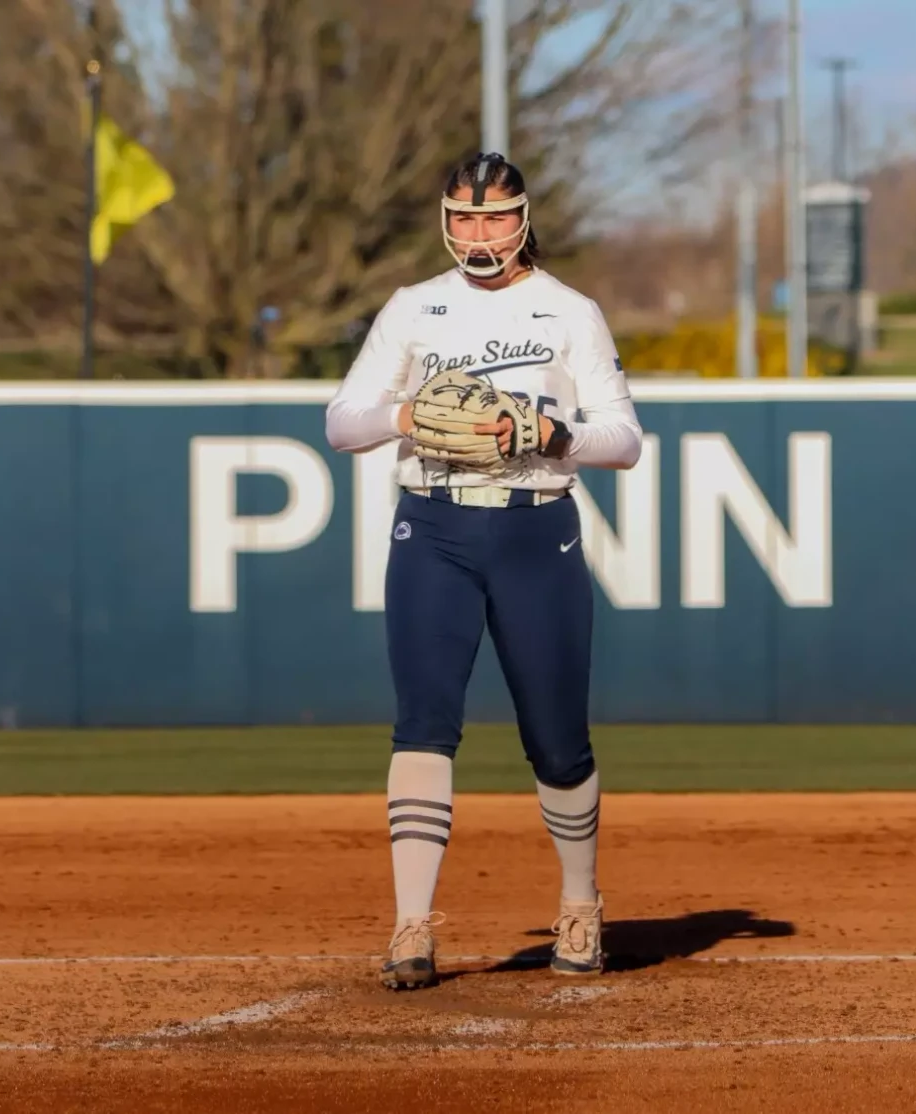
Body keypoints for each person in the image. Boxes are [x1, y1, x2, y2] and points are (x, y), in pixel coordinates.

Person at [325, 152, 643, 989]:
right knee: (423, 721)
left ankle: (580, 905)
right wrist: (405, 413)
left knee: (556, 739)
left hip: (537, 532)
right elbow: (342, 422)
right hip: (433, 525)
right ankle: (411, 927)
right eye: (464, 219)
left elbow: (627, 439)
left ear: (524, 218)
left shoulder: (569, 312)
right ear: (445, 220)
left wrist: (554, 434)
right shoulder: (414, 307)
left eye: (495, 218)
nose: (479, 234)